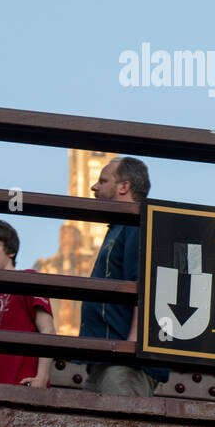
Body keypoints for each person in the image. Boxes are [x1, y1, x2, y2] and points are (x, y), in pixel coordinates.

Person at [80, 156, 169, 396]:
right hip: (106, 361)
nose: (94, 187)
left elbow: (144, 284)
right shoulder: (121, 227)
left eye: (102, 181)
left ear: (124, 187)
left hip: (123, 364)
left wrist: (131, 346)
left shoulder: (136, 223)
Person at [0, 219, 55, 387]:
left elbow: (48, 329)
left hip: (25, 388)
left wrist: (42, 377)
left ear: (10, 250)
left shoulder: (28, 278)